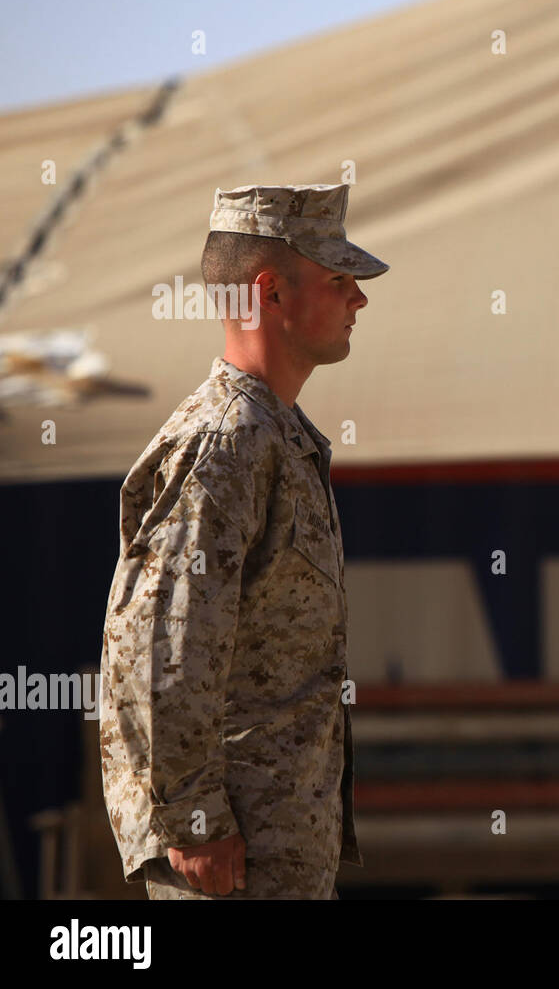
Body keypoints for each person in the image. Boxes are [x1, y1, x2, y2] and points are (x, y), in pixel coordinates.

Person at [99, 183, 388, 899]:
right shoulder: (226, 441)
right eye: (338, 279)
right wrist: (193, 820)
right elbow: (164, 641)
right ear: (272, 291)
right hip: (231, 855)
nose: (360, 300)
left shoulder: (274, 435)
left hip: (271, 842)